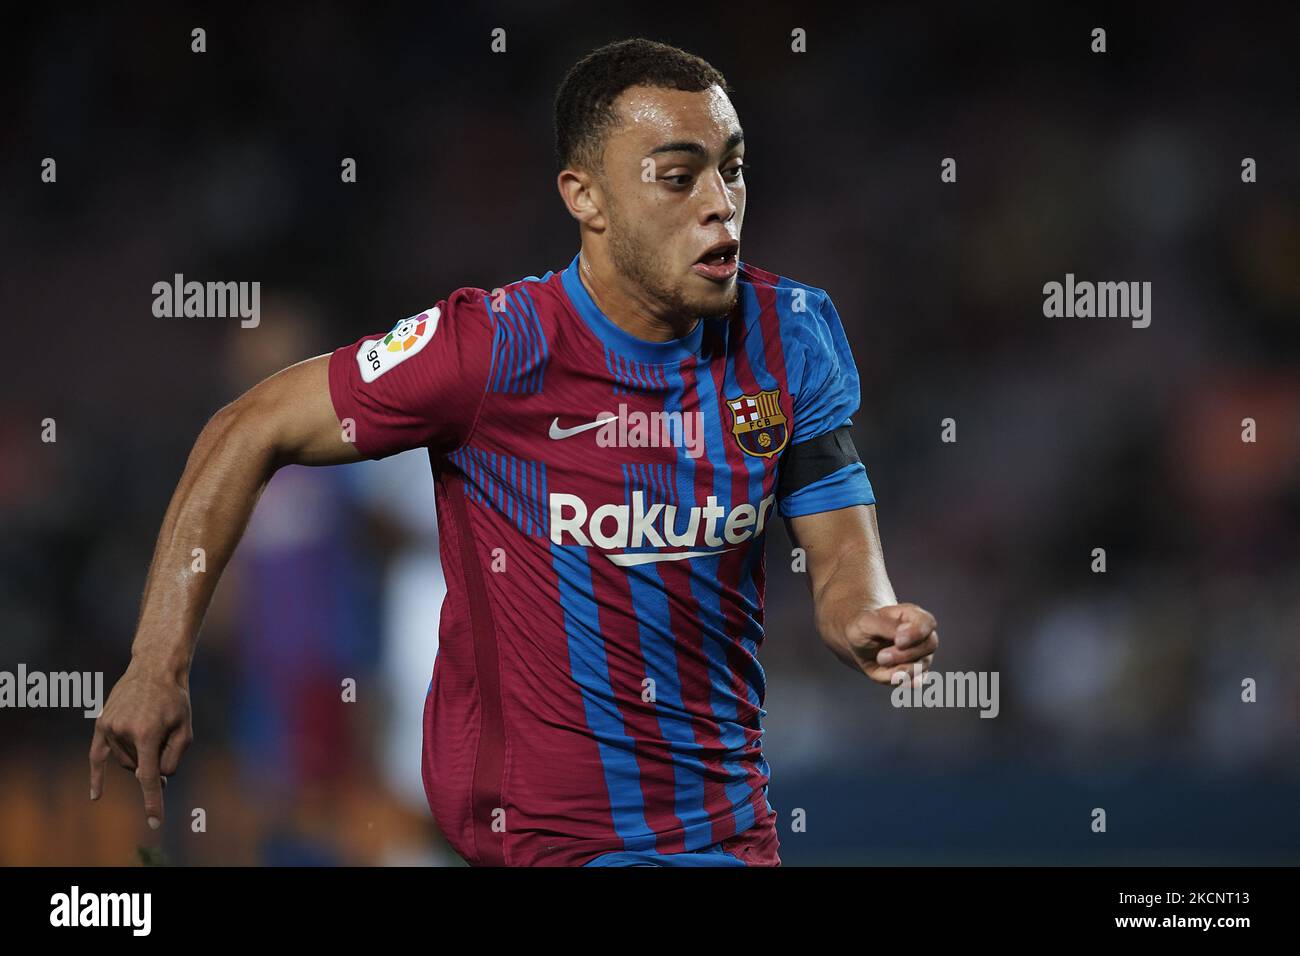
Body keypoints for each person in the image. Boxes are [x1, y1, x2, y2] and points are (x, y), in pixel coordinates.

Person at [89, 37, 939, 867]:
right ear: (586, 198)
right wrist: (156, 663)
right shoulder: (491, 350)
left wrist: (867, 618)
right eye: (679, 178)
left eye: (735, 168)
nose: (719, 202)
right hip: (550, 841)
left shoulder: (790, 338)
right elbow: (249, 426)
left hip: (727, 831)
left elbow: (838, 560)